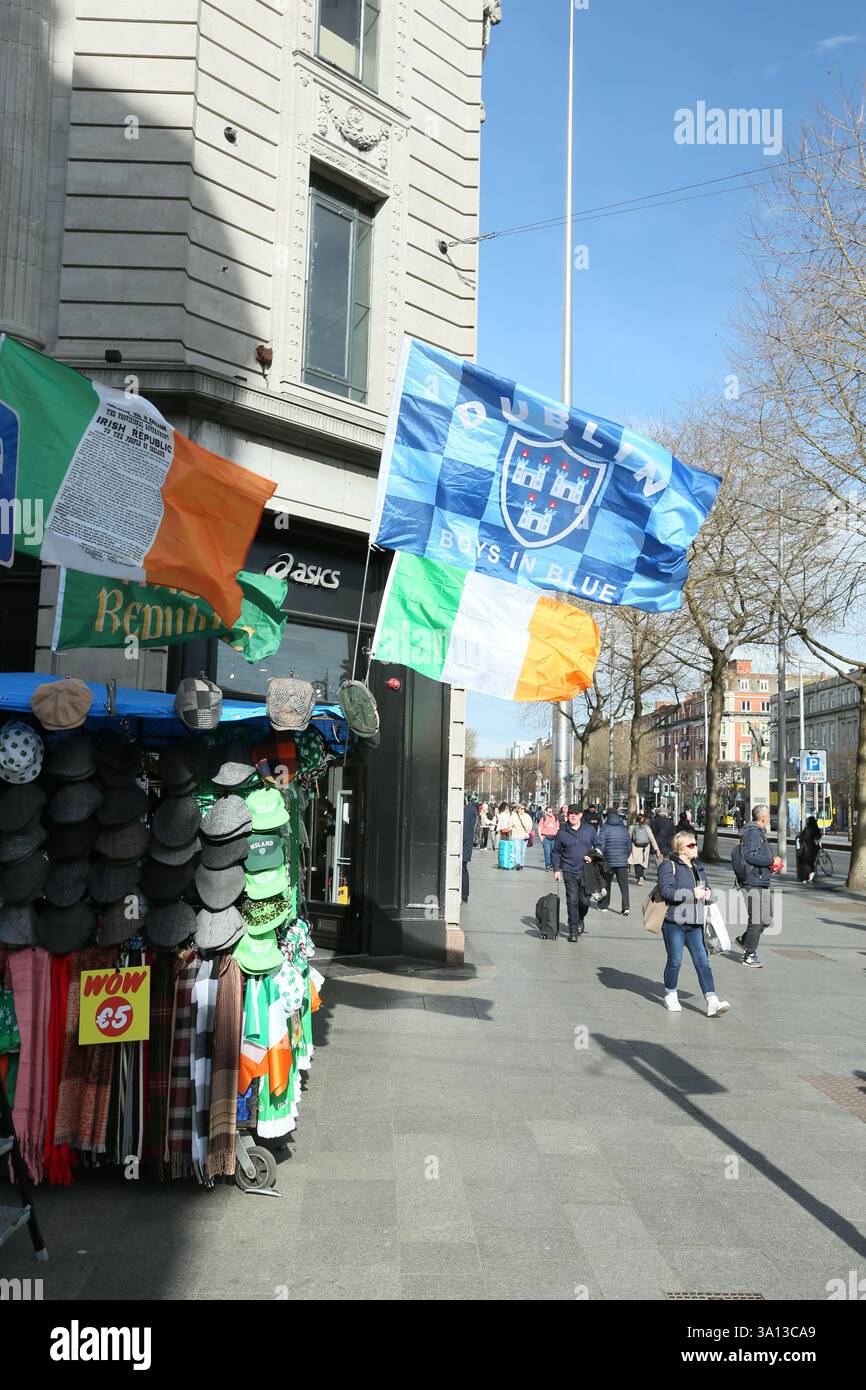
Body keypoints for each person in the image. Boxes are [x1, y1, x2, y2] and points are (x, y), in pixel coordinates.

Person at [656, 831, 731, 1017]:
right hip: (674, 922)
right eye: (691, 845)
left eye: (695, 844)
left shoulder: (698, 866)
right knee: (675, 960)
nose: (695, 847)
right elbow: (666, 892)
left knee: (703, 962)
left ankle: (712, 1000)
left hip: (696, 923)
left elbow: (707, 888)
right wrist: (691, 894)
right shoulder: (668, 865)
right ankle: (671, 994)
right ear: (681, 848)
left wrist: (708, 894)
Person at [735, 804, 781, 967]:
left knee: (767, 918)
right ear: (764, 818)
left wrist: (770, 865)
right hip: (752, 881)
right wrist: (770, 861)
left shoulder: (758, 831)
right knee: (757, 919)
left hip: (761, 880)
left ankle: (745, 940)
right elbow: (750, 855)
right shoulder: (753, 832)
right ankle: (749, 955)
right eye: (768, 816)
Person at [551, 804, 601, 941]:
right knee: (572, 901)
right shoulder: (562, 832)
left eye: (576, 813)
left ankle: (580, 918)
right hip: (569, 870)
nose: (573, 815)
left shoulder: (589, 830)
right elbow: (555, 852)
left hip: (586, 871)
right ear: (567, 815)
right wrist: (556, 869)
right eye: (570, 813)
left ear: (580, 815)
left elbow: (599, 845)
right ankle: (573, 931)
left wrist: (592, 856)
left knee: (584, 902)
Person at [598, 807, 632, 915]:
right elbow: (629, 845)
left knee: (606, 883)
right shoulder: (624, 828)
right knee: (624, 885)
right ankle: (626, 907)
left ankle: (604, 905)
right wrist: (625, 856)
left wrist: (601, 857)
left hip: (608, 860)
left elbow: (601, 844)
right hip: (622, 861)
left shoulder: (605, 827)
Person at [629, 812, 661, 884]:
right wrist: (657, 849)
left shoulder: (632, 827)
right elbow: (652, 839)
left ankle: (639, 876)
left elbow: (628, 838)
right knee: (643, 862)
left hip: (635, 847)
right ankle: (641, 876)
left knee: (637, 862)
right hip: (645, 847)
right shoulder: (647, 828)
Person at [462, 795, 478, 903]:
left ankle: (464, 894)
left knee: (462, 871)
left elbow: (462, 835)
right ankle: (464, 894)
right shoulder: (470, 814)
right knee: (463, 870)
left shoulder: (465, 815)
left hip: (462, 848)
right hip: (466, 848)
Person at [796, 815, 821, 883]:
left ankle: (810, 874)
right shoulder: (816, 828)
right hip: (815, 848)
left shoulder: (808, 829)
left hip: (808, 848)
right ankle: (810, 878)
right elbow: (819, 836)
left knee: (803, 861)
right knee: (811, 863)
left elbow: (804, 837)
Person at [511, 802, 534, 870]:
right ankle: (517, 863)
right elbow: (510, 824)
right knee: (517, 850)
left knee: (523, 851)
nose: (523, 810)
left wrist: (528, 832)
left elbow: (530, 825)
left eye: (524, 809)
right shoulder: (514, 816)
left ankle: (522, 864)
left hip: (525, 836)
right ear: (518, 809)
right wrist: (511, 829)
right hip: (516, 835)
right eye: (521, 809)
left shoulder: (527, 816)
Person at [539, 805, 560, 871]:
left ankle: (552, 865)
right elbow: (540, 828)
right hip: (546, 837)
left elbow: (558, 828)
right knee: (547, 852)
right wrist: (540, 836)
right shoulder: (543, 818)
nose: (551, 813)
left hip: (554, 838)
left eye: (551, 811)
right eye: (549, 811)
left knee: (553, 852)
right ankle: (547, 865)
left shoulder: (555, 818)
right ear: (547, 812)